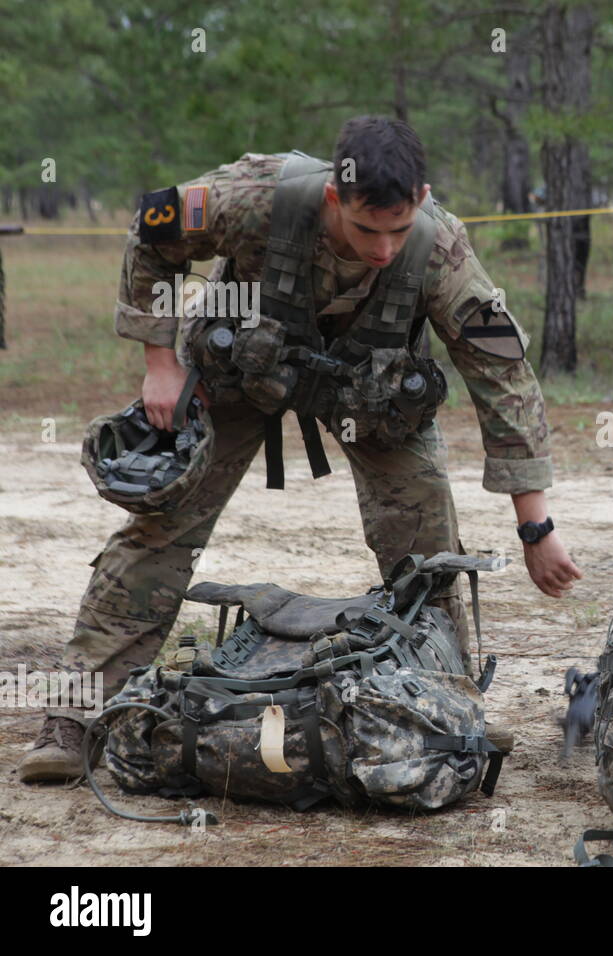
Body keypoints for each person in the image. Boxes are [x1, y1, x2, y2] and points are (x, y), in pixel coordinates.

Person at [19, 115, 581, 783]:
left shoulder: (440, 249)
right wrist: (158, 360)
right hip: (238, 374)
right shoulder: (256, 196)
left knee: (426, 559)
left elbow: (503, 375)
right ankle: (75, 716)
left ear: (422, 201)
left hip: (370, 399)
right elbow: (154, 228)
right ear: (333, 199)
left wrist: (535, 524)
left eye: (398, 229)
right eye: (366, 229)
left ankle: (442, 705)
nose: (382, 248)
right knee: (160, 531)